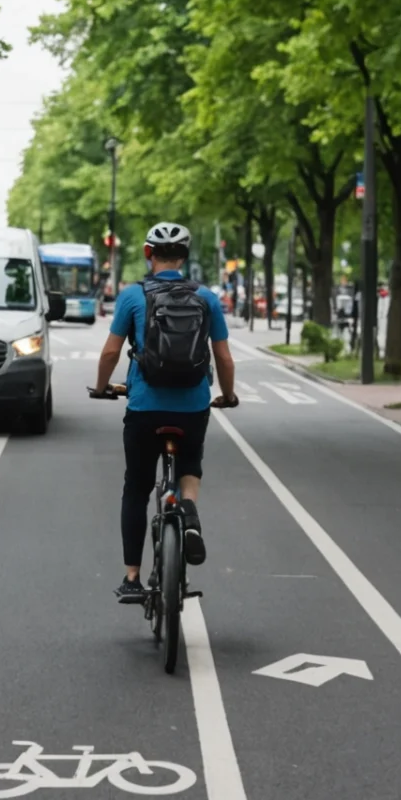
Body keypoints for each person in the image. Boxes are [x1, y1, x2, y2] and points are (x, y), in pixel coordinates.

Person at [94, 222, 239, 603]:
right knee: (190, 464)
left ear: (148, 254)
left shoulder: (132, 297)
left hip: (144, 408)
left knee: (137, 488)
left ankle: (131, 577)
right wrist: (227, 395)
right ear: (185, 256)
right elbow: (223, 357)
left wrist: (101, 387)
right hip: (192, 407)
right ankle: (188, 511)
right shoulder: (206, 298)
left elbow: (111, 352)